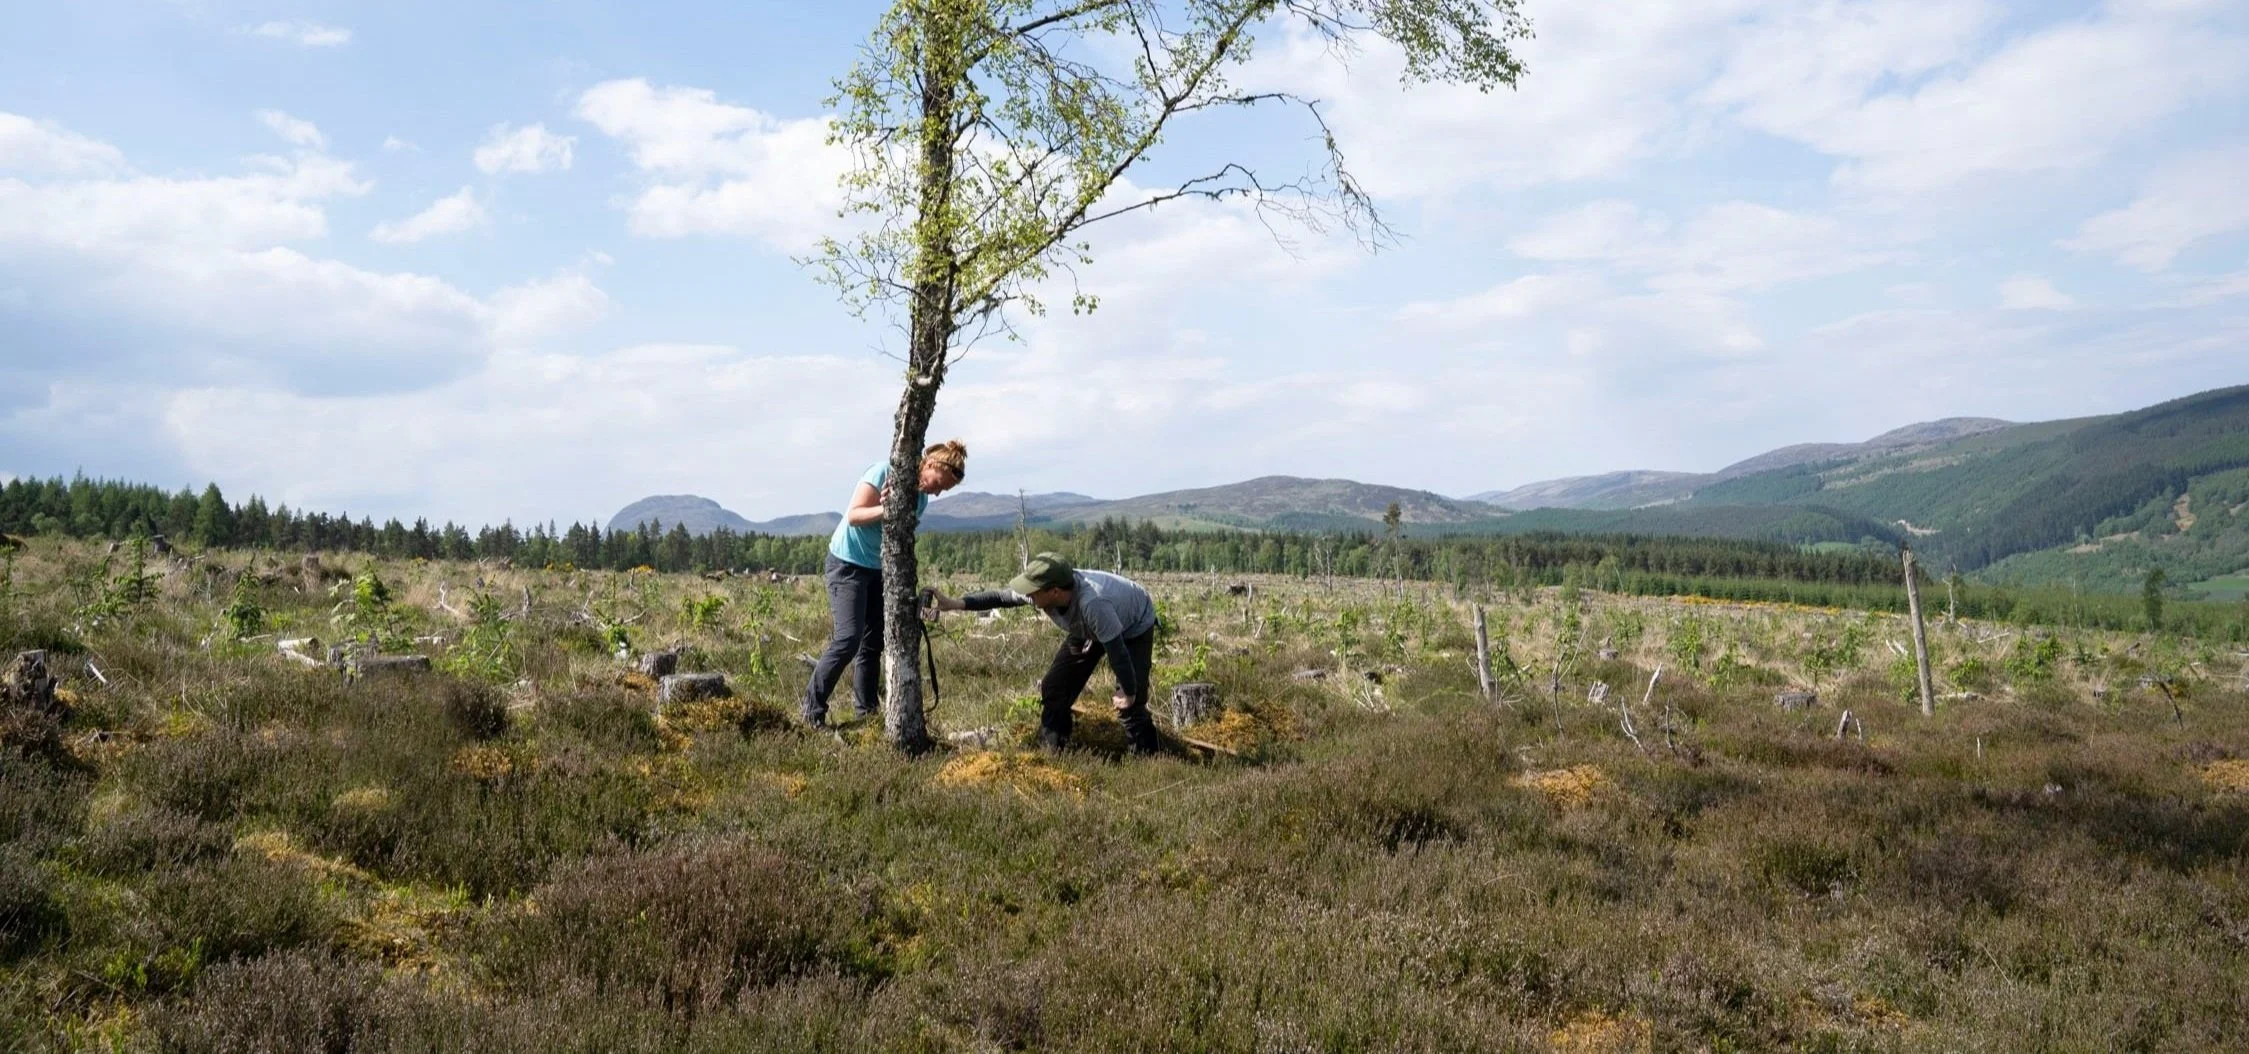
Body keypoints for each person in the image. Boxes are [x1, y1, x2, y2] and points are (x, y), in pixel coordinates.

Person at [926, 552, 1162, 755]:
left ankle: (1148, 759)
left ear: (1055, 592)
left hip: (1133, 626)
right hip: (1089, 628)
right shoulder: (1043, 592)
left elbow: (1117, 652)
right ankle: (1053, 751)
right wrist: (955, 603)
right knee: (1054, 687)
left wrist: (1129, 690)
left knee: (1129, 703)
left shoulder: (1093, 603)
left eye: (1033, 591)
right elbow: (1000, 597)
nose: (1028, 595)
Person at [801, 440, 967, 727]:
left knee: (872, 643)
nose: (937, 492)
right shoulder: (882, 472)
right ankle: (812, 711)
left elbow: (899, 535)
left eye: (944, 490)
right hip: (847, 565)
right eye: (939, 483)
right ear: (930, 464)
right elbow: (854, 516)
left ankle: (865, 713)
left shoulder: (921, 499)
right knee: (848, 639)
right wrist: (886, 508)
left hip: (879, 571)